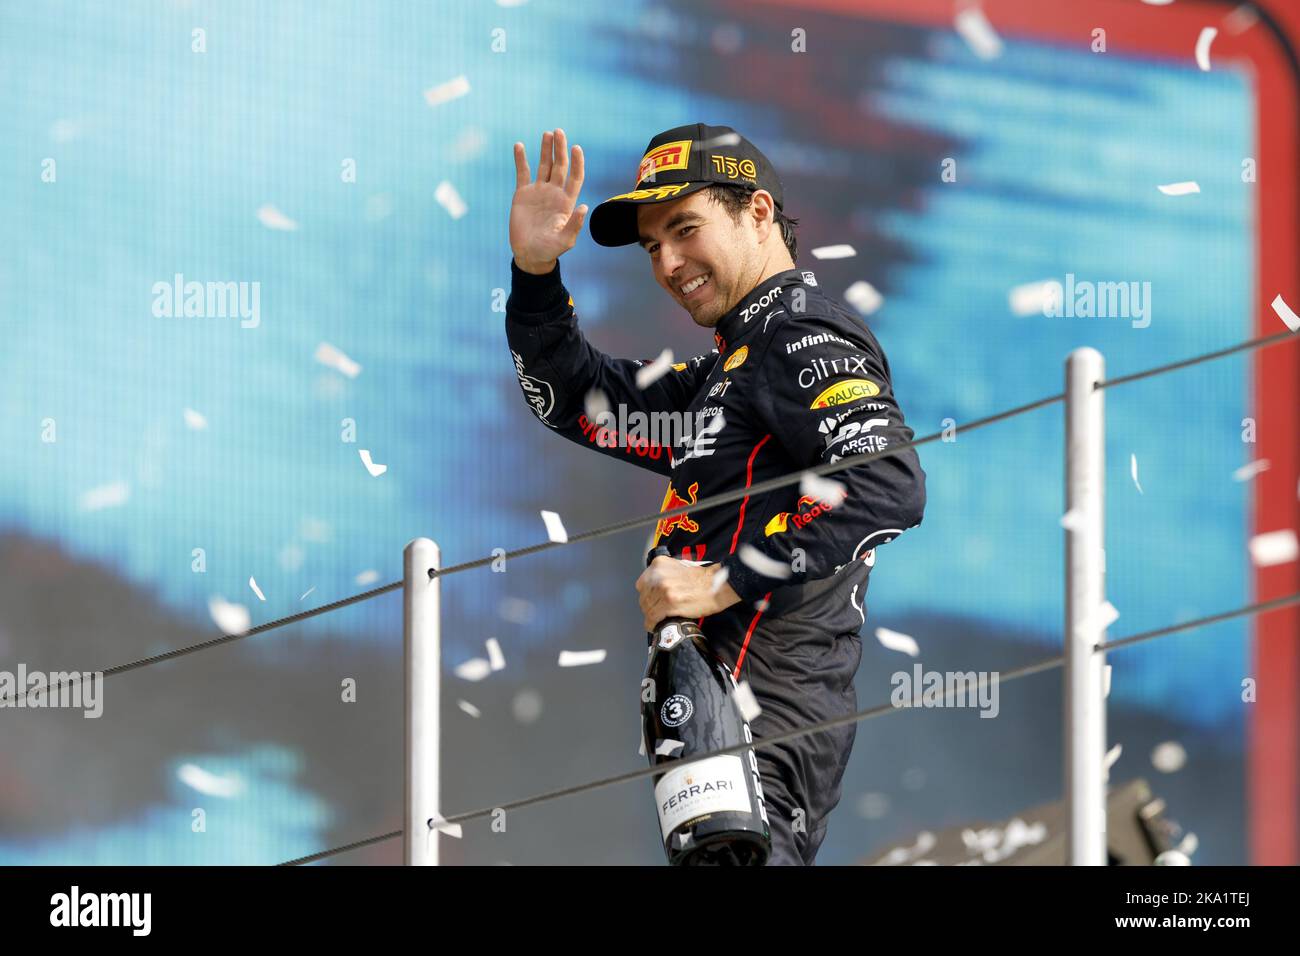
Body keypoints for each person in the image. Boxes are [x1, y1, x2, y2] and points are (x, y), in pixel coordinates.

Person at [505, 123, 926, 864]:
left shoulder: (800, 333)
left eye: (685, 229)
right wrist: (536, 272)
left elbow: (886, 483)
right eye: (651, 246)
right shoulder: (729, 370)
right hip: (717, 716)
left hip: (768, 717)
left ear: (758, 212)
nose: (668, 263)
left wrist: (723, 580)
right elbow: (580, 402)